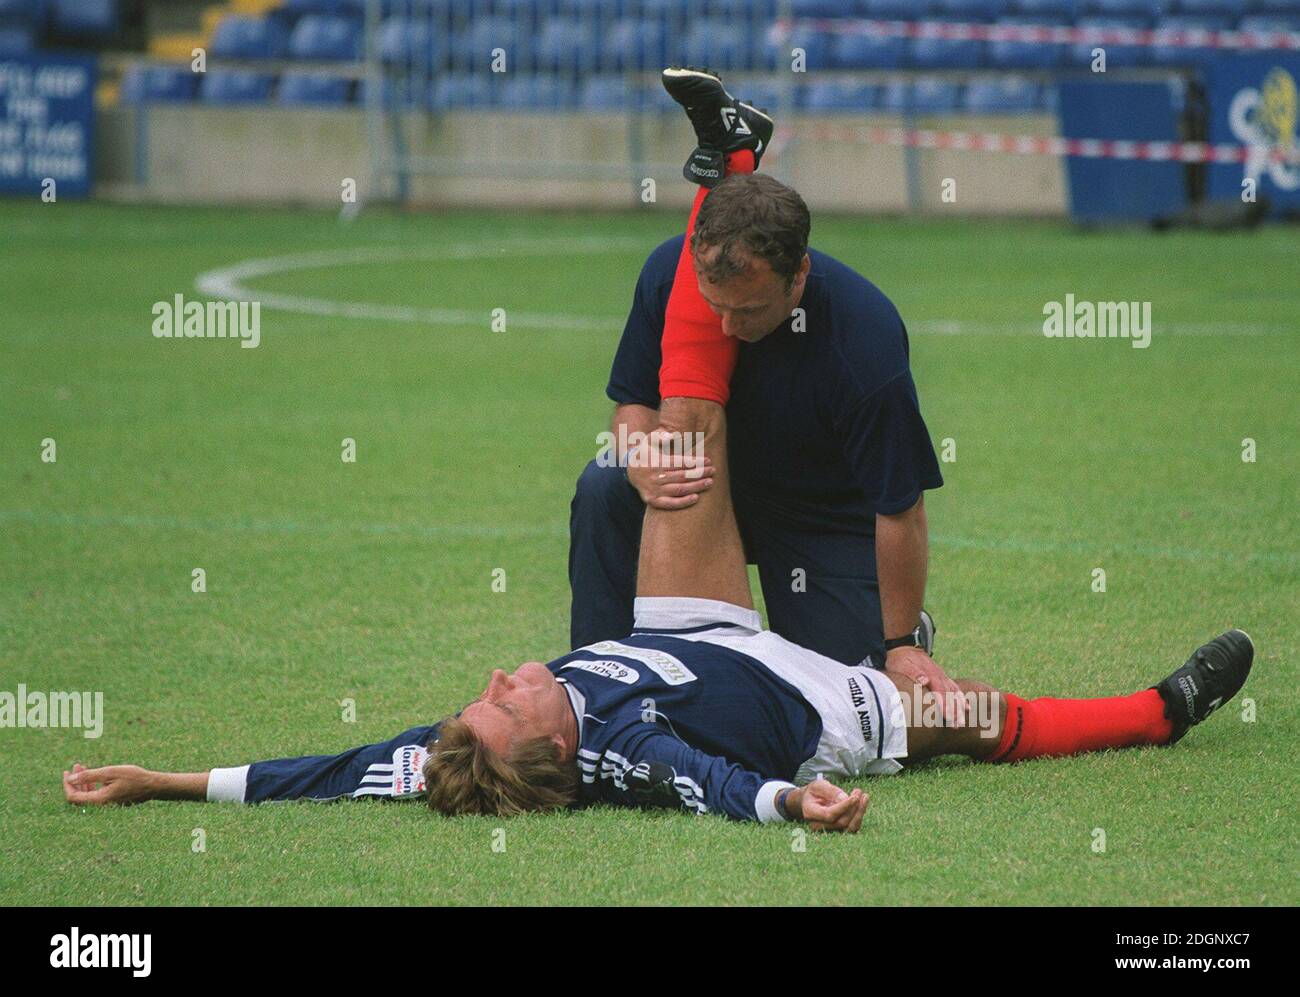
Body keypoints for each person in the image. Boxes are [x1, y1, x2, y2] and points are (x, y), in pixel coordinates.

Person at [62, 395, 1254, 833]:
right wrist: (803, 798)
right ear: (555, 747)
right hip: (828, 704)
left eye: (486, 695)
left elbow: (316, 772)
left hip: (689, 624)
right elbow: (716, 788)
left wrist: (160, 779)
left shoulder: (451, 756)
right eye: (503, 698)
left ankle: (723, 176)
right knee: (989, 721)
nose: (497, 677)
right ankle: (1159, 711)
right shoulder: (624, 754)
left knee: (680, 438)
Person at [570, 68, 950, 715]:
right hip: (720, 491)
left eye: (745, 312)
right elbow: (632, 400)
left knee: (848, 701)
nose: (723, 326)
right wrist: (636, 457)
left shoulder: (866, 338)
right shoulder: (671, 273)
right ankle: (599, 687)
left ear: (798, 273)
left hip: (822, 520)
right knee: (604, 483)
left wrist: (899, 639)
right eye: (712, 306)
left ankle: (887, 628)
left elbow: (900, 508)